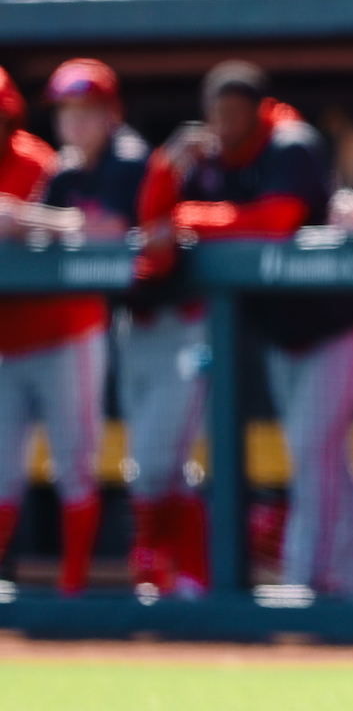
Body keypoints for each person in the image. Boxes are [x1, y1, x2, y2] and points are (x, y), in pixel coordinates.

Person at [139, 61, 353, 598]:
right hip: (288, 334)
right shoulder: (205, 160)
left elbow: (275, 221)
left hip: (345, 323)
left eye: (235, 112)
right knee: (324, 458)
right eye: (217, 113)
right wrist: (165, 170)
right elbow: (152, 238)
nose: (225, 123)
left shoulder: (290, 144)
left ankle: (303, 584)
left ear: (259, 111)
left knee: (314, 452)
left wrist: (189, 216)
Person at [36, 59, 211, 599]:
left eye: (87, 113)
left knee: (159, 460)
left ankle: (174, 573)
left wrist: (25, 219)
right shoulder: (65, 174)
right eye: (68, 113)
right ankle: (179, 577)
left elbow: (109, 231)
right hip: (132, 325)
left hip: (183, 325)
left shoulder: (132, 159)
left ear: (112, 115)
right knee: (156, 463)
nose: (76, 124)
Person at [0, 66, 106, 595]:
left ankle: (73, 589)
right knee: (1, 474)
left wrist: (24, 219)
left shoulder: (42, 163)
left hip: (65, 332)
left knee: (75, 465)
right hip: (5, 344)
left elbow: (91, 225)